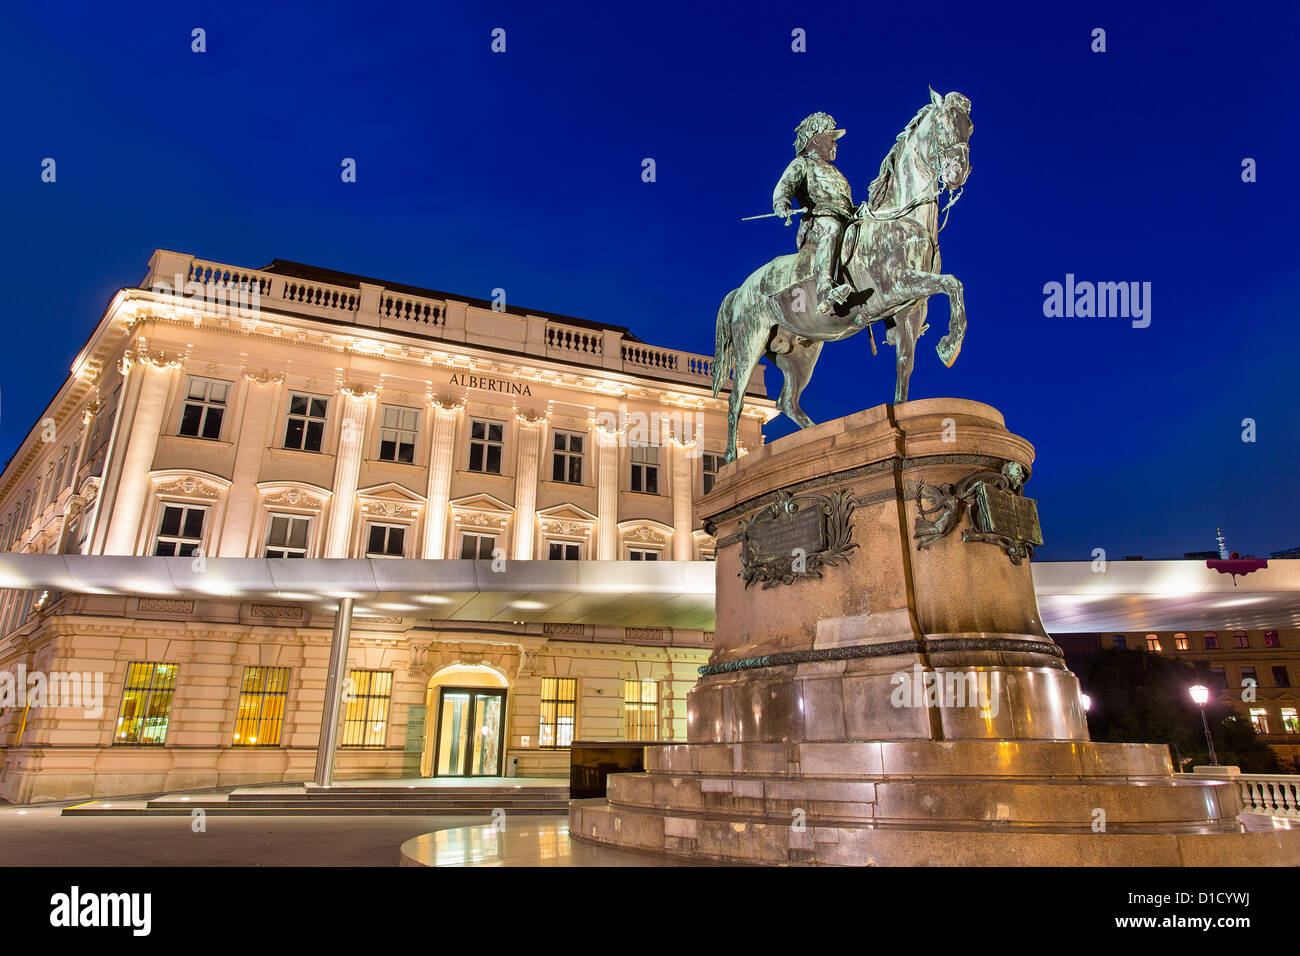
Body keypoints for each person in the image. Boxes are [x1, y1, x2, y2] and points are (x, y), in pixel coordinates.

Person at [772, 112, 856, 315]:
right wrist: (782, 204)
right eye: (832, 138)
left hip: (847, 221)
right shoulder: (803, 164)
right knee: (832, 227)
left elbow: (847, 204)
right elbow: (783, 188)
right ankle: (825, 288)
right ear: (817, 139)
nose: (836, 144)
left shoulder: (837, 173)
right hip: (817, 224)